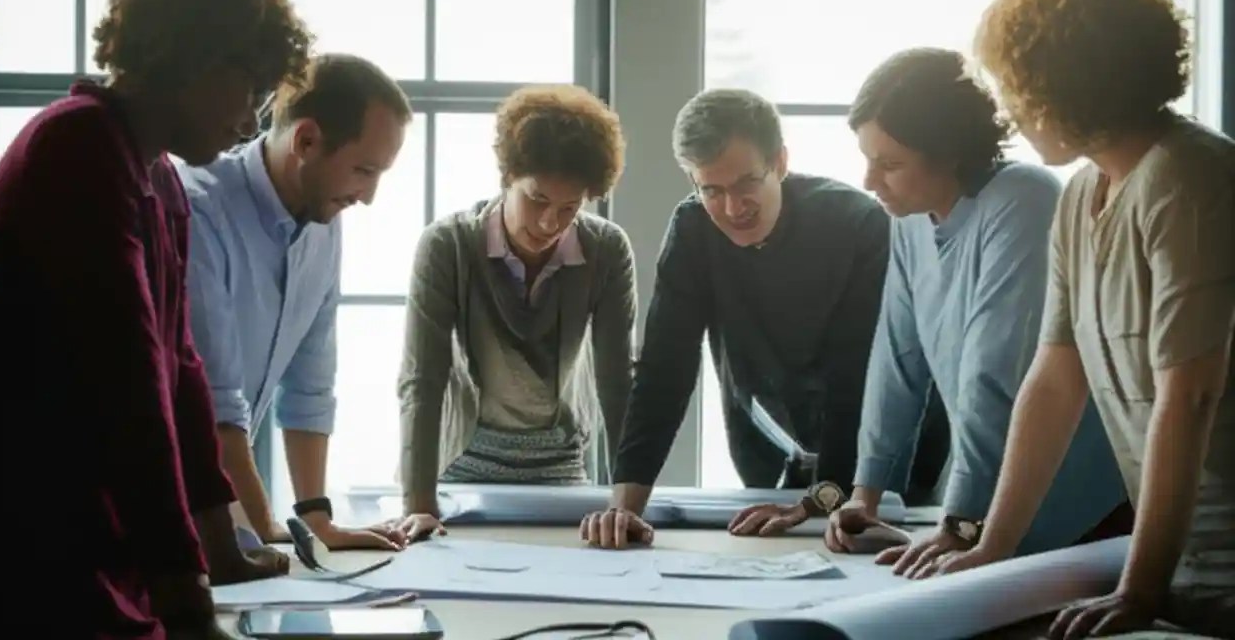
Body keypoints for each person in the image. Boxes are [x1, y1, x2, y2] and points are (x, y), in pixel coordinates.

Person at [0, 0, 311, 639]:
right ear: (198, 60)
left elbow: (180, 371)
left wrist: (216, 551)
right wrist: (187, 595)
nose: (252, 120)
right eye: (253, 91)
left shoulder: (157, 175)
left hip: (92, 547)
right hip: (22, 556)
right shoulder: (78, 148)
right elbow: (128, 385)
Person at [727, 48, 1131, 572]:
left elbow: (991, 378)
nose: (871, 182)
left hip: (1087, 510)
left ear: (949, 153)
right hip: (993, 501)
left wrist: (961, 522)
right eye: (868, 159)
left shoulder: (1024, 201)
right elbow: (895, 360)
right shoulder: (910, 220)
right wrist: (863, 494)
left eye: (890, 164)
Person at [933, 0, 1235, 639]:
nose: (1008, 109)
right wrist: (992, 547)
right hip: (1177, 571)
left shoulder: (1190, 178)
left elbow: (1189, 397)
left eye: (1014, 86)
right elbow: (1054, 380)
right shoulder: (1078, 195)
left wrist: (1140, 589)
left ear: (1065, 83)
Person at [582, 88, 941, 550]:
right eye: (711, 190)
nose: (733, 209)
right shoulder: (693, 228)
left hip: (889, 457)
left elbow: (856, 381)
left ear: (781, 163)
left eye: (747, 182)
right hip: (777, 444)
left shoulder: (859, 225)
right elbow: (663, 372)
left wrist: (819, 501)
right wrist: (625, 506)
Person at [178, 53, 442, 553]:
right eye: (363, 170)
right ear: (306, 140)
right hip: (160, 505)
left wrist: (315, 520)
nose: (368, 197)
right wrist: (262, 538)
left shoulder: (324, 221)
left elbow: (310, 385)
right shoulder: (199, 208)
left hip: (219, 501)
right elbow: (216, 406)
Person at [398, 84, 636, 517]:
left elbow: (617, 384)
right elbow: (422, 380)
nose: (550, 222)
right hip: (459, 463)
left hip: (559, 464)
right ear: (507, 177)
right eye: (537, 199)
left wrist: (628, 504)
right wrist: (419, 506)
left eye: (570, 207)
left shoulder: (605, 250)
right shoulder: (447, 245)